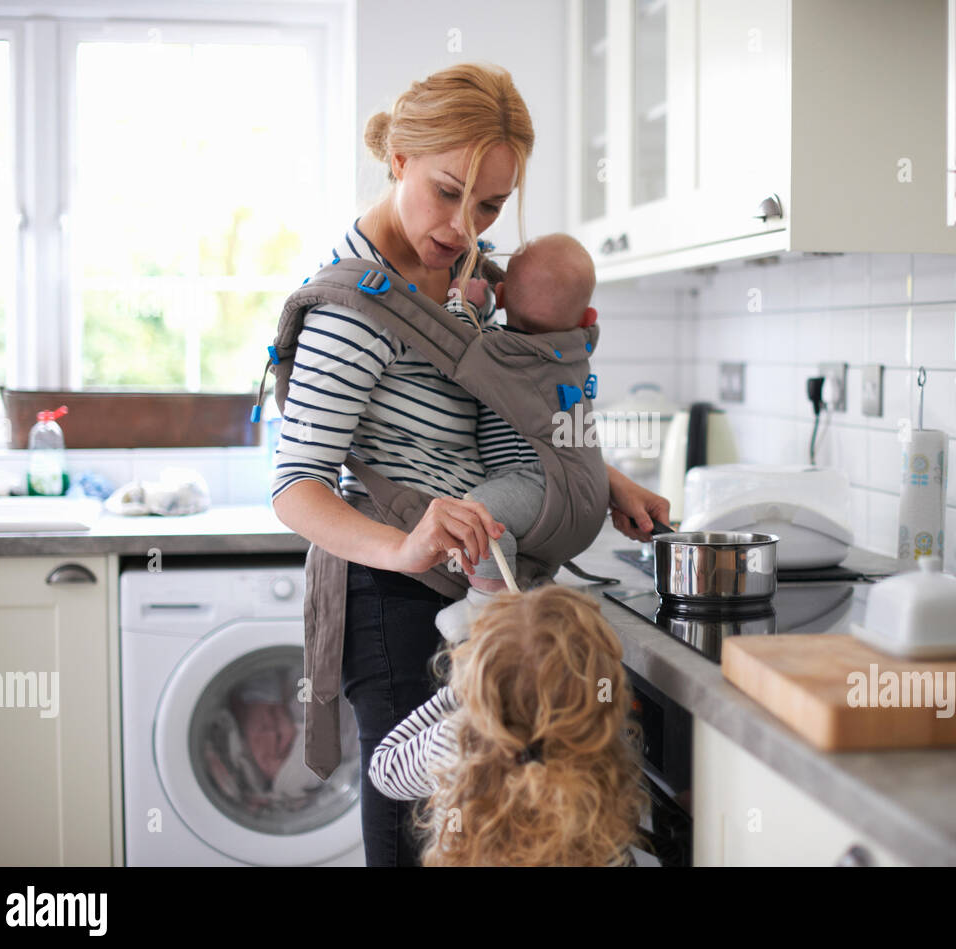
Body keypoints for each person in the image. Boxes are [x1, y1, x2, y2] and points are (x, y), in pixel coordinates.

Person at [269, 62, 669, 868]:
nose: (463, 225)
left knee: (490, 839)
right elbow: (294, 486)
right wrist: (405, 543)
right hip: (394, 601)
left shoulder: (470, 281)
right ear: (399, 160)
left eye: (489, 205)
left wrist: (604, 482)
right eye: (447, 192)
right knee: (421, 843)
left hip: (475, 587)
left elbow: (508, 421)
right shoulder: (354, 310)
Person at [369, 586, 645, 866]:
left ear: (479, 676)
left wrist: (456, 694)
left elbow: (384, 770)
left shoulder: (454, 739)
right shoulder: (597, 765)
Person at [434, 233, 599, 643]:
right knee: (493, 522)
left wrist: (462, 303)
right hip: (584, 497)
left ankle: (488, 610)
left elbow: (450, 350)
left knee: (478, 516)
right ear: (587, 317)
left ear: (501, 295)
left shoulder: (500, 351)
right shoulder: (578, 348)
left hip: (533, 480)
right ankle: (530, 589)